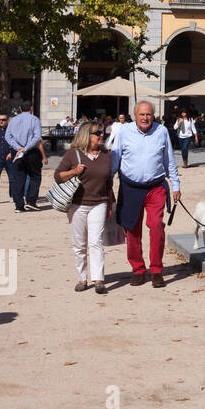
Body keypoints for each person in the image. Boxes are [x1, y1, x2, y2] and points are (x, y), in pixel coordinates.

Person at [111, 101, 181, 288]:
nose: (145, 118)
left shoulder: (161, 131)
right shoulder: (124, 131)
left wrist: (175, 184)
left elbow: (169, 160)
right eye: (141, 114)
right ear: (134, 116)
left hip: (155, 187)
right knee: (132, 230)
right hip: (130, 187)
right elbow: (115, 157)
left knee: (156, 225)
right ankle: (138, 269)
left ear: (153, 116)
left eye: (148, 114)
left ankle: (156, 269)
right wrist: (108, 182)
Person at [55, 121, 114, 294]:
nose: (101, 136)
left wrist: (110, 204)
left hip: (100, 202)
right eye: (97, 133)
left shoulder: (106, 155)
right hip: (77, 204)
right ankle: (82, 278)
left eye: (102, 132)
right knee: (79, 244)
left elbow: (109, 183)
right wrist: (74, 171)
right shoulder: (73, 154)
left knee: (96, 242)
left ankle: (98, 280)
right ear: (86, 136)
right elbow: (57, 176)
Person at [4, 100, 44, 212]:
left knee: (18, 178)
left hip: (17, 152)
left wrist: (18, 148)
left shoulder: (13, 120)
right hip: (31, 151)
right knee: (35, 176)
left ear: (20, 109)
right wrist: (25, 148)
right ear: (31, 109)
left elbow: (8, 136)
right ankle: (31, 201)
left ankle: (19, 205)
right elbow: (37, 137)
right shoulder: (35, 119)